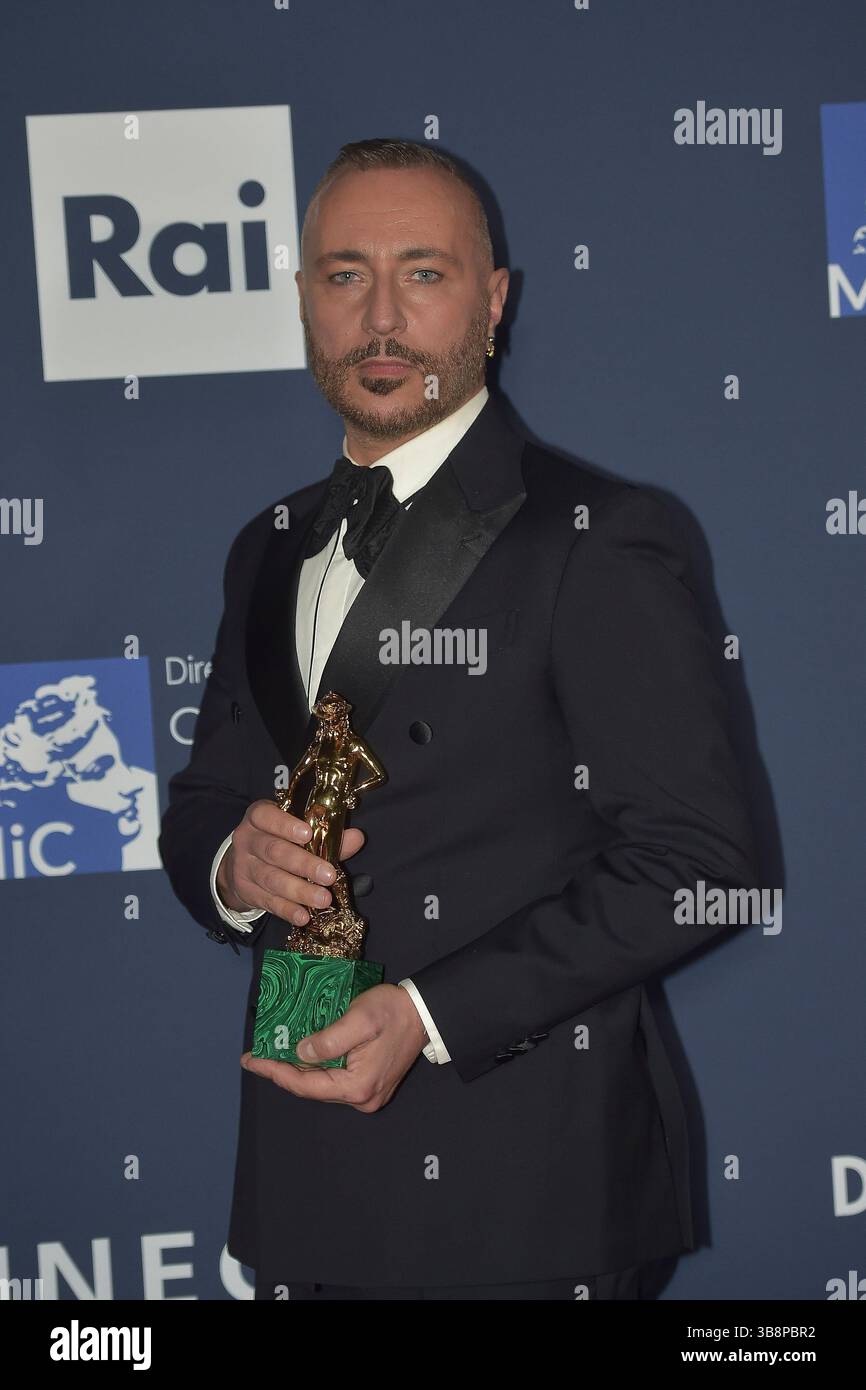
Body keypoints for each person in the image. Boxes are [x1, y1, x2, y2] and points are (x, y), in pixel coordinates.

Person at [158, 138, 758, 1301]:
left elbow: (698, 864)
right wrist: (238, 863)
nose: (380, 316)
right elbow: (201, 801)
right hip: (305, 1179)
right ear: (301, 301)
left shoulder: (598, 536)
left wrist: (428, 1015)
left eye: (421, 273)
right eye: (344, 274)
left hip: (521, 1184)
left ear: (492, 302)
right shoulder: (267, 544)